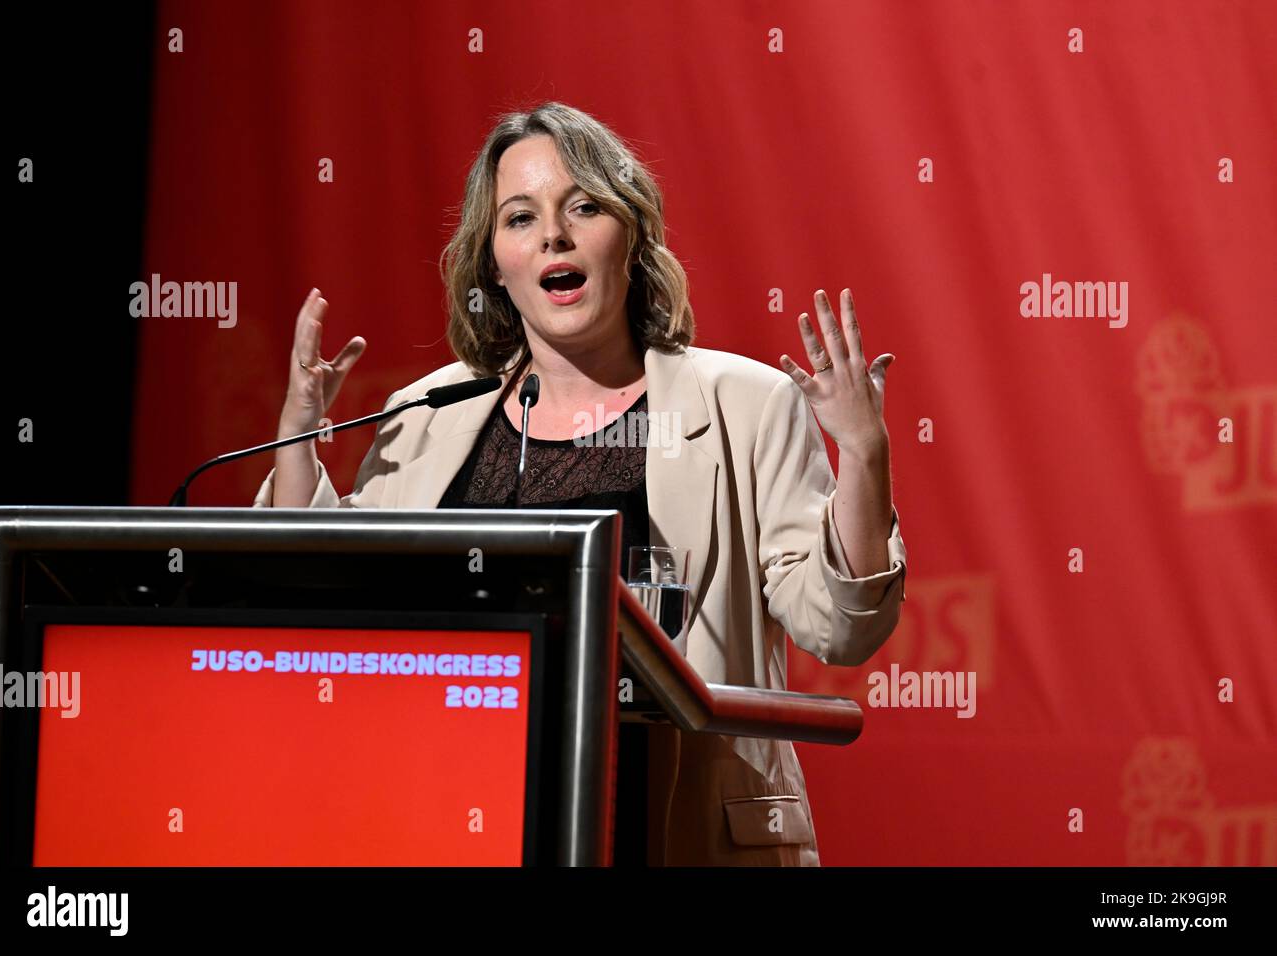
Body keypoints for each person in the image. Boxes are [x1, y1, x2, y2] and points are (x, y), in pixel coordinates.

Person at [253, 101, 907, 866]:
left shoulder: (746, 404)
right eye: (520, 218)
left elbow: (842, 627)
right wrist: (299, 429)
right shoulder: (427, 417)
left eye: (583, 207)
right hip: (460, 818)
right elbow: (318, 599)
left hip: (672, 830)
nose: (553, 235)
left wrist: (863, 452)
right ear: (495, 263)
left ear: (630, 234)